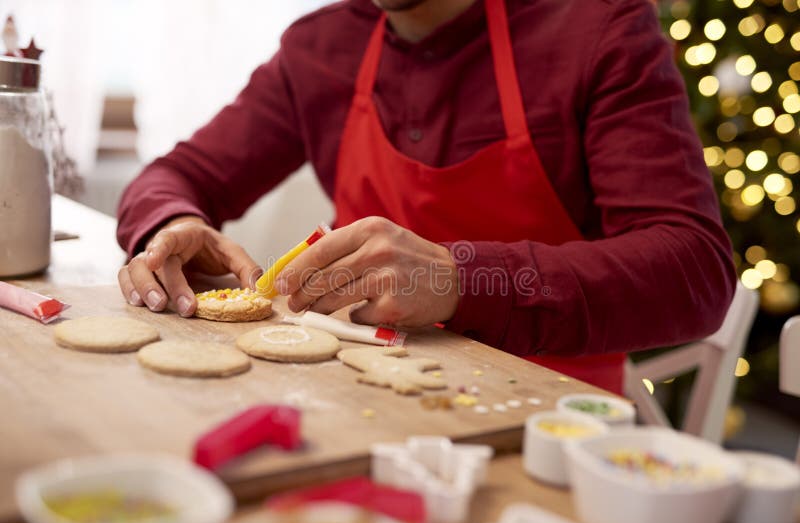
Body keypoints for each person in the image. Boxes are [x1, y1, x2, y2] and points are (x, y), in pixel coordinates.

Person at [116, 0, 736, 394]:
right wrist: (171, 224)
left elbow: (696, 270)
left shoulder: (598, 28)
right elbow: (179, 175)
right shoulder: (321, 48)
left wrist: (462, 279)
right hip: (350, 395)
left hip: (544, 418)